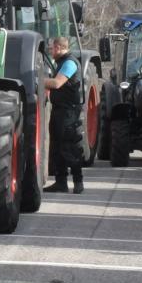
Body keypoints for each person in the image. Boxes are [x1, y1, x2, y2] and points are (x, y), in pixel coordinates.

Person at [41, 36, 88, 193]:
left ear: (59, 47)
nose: (50, 52)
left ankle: (78, 181)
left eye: (51, 49)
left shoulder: (69, 62)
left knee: (69, 146)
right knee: (57, 146)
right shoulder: (61, 62)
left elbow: (56, 83)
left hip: (69, 112)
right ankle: (61, 182)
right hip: (59, 110)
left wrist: (36, 80)